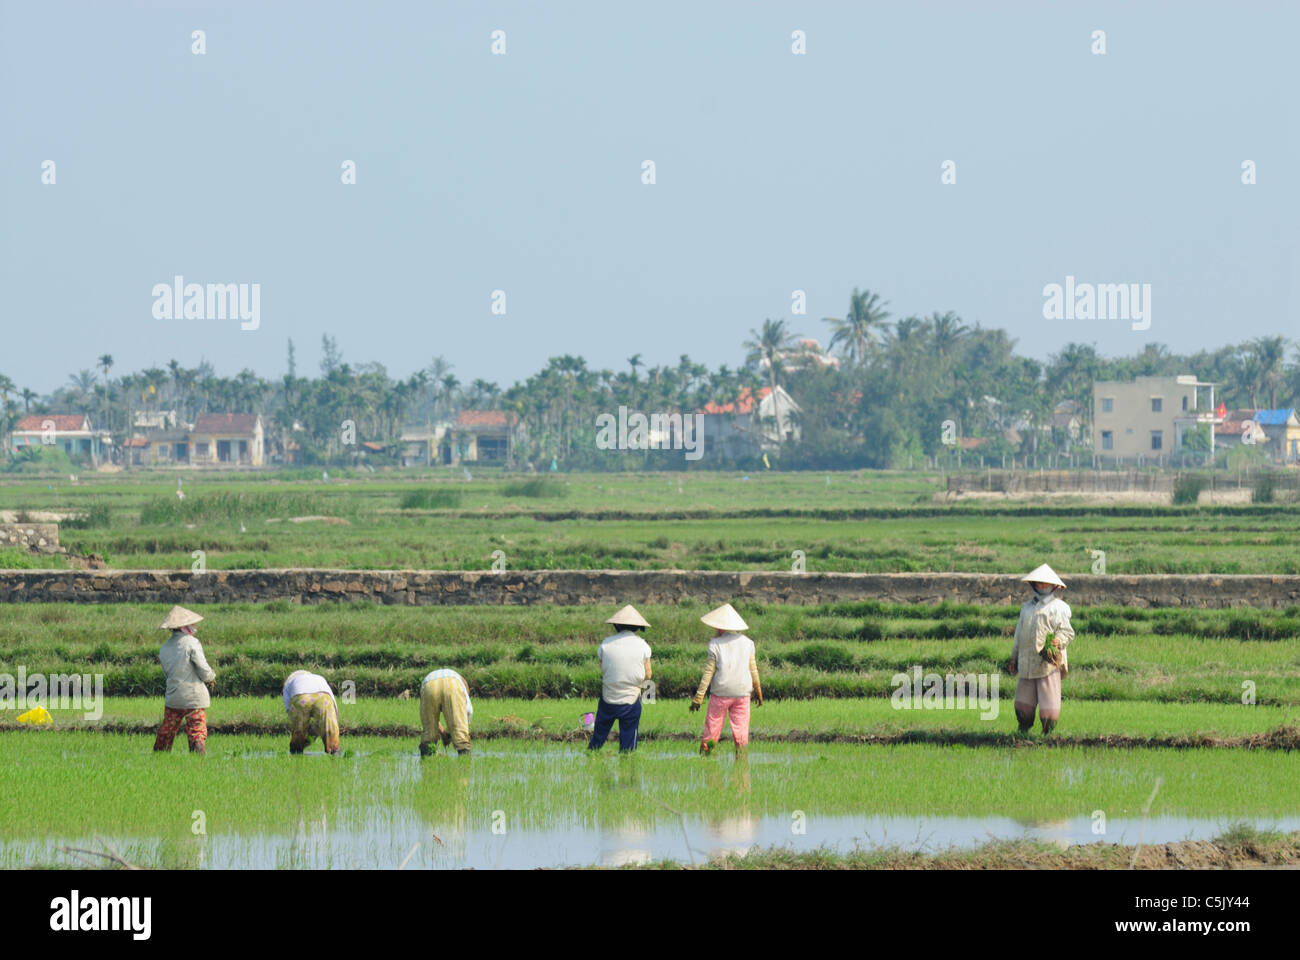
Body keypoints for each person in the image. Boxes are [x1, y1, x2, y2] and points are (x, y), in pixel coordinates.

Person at [1008, 563, 1075, 735]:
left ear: (1054, 586)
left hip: (1047, 664)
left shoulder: (1058, 608)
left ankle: (1048, 735)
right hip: (1027, 662)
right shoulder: (1027, 608)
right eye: (1039, 583)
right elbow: (1018, 635)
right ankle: (1022, 732)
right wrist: (1014, 658)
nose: (1043, 586)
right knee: (1023, 703)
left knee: (1049, 705)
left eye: (1046, 583)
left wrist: (1057, 643)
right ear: (1033, 584)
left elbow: (1067, 632)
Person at [689, 603, 763, 755]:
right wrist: (758, 691)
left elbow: (708, 674)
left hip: (720, 694)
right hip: (742, 693)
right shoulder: (748, 643)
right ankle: (741, 759)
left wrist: (698, 697)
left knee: (712, 727)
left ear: (720, 627)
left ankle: (706, 755)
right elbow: (753, 670)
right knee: (741, 731)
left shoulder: (715, 644)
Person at [588, 605, 652, 753]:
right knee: (628, 743)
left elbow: (604, 670)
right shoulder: (643, 646)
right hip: (630, 700)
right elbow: (648, 675)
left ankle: (591, 754)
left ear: (616, 625)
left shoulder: (605, 644)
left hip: (608, 699)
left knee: (598, 737)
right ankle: (627, 761)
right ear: (637, 627)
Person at [153, 606, 216, 755]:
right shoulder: (191, 643)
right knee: (197, 732)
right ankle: (197, 763)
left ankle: (158, 759)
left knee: (167, 731)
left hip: (174, 697)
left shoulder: (164, 648)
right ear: (184, 627)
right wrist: (211, 677)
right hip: (194, 698)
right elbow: (203, 668)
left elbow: (167, 673)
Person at [282, 669, 341, 755]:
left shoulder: (289, 684)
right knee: (330, 731)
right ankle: (334, 752)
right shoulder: (319, 678)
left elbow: (289, 709)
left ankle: (296, 752)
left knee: (299, 731)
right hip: (324, 698)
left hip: (301, 698)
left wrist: (300, 730)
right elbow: (332, 702)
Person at [419, 667, 473, 757]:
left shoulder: (454, 676)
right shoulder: (460, 684)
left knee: (429, 734)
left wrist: (444, 733)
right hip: (452, 685)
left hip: (429, 684)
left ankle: (427, 756)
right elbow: (468, 712)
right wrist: (456, 732)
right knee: (461, 737)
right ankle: (465, 758)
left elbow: (431, 717)